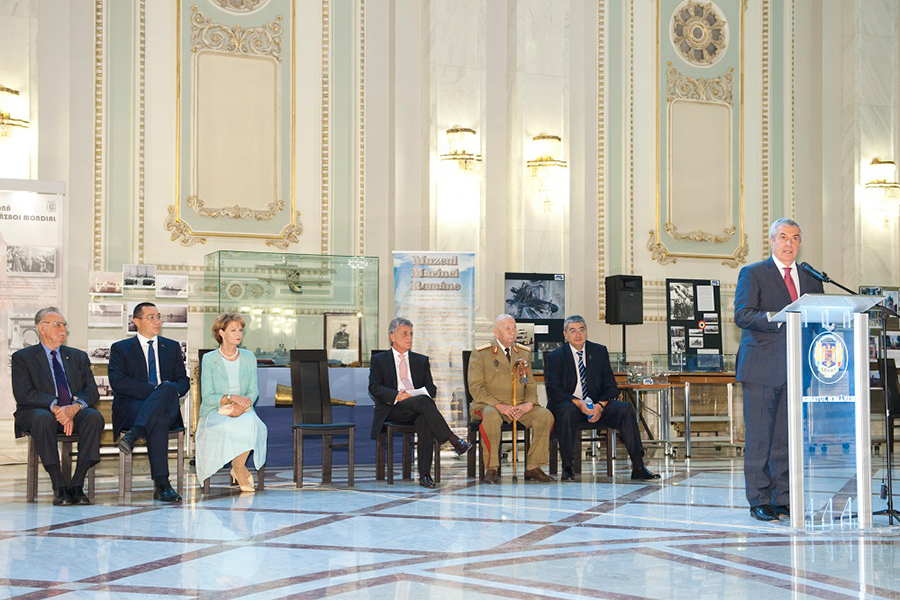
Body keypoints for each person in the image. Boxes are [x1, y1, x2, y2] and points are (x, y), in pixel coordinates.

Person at [735, 218, 824, 522]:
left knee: (786, 440)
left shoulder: (811, 279)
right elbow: (743, 315)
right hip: (761, 368)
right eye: (783, 237)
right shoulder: (753, 273)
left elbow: (819, 322)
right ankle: (759, 499)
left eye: (795, 238)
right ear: (772, 241)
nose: (789, 244)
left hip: (797, 370)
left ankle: (781, 498)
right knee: (760, 439)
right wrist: (779, 317)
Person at [545, 315, 659, 481]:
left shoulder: (599, 351)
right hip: (570, 405)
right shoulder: (555, 356)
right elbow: (554, 390)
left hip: (597, 405)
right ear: (565, 335)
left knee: (625, 408)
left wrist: (600, 406)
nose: (578, 335)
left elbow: (611, 386)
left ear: (586, 332)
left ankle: (638, 466)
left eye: (581, 330)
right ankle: (568, 468)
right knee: (567, 410)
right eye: (573, 331)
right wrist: (578, 403)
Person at [11, 307, 104, 505]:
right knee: (43, 418)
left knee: (94, 417)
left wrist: (74, 408)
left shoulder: (78, 357)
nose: (63, 329)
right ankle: (59, 485)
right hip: (37, 412)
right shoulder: (23, 358)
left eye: (64, 325)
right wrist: (55, 407)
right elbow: (24, 393)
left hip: (72, 410)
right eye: (57, 324)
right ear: (41, 328)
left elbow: (92, 391)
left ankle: (77, 485)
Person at [369, 317, 472, 488]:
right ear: (392, 336)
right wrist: (397, 395)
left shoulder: (420, 360)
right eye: (404, 334)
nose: (409, 338)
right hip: (393, 408)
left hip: (417, 407)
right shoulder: (380, 360)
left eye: (411, 334)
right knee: (424, 404)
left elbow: (431, 389)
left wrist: (416, 395)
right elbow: (374, 387)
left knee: (424, 414)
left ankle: (425, 474)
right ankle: (453, 439)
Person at [109, 302, 191, 502]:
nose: (158, 321)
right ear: (137, 322)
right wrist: (158, 391)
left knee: (170, 389)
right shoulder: (121, 348)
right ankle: (162, 485)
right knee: (159, 416)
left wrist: (166, 391)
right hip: (133, 408)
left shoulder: (171, 347)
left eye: (159, 317)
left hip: (167, 407)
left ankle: (135, 434)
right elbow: (118, 382)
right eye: (151, 317)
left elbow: (183, 382)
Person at [468, 314, 555, 483]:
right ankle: (492, 468)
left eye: (514, 328)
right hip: (488, 405)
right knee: (492, 416)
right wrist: (499, 406)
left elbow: (530, 384)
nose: (512, 332)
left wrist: (529, 404)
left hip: (518, 406)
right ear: (496, 332)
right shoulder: (481, 354)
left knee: (545, 415)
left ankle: (533, 467)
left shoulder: (523, 353)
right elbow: (476, 388)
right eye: (507, 328)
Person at [197, 312, 268, 492]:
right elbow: (208, 396)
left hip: (243, 409)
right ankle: (239, 469)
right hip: (216, 410)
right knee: (230, 425)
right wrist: (231, 398)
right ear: (221, 333)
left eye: (241, 330)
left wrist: (241, 406)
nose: (239, 334)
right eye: (233, 330)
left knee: (251, 422)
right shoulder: (210, 359)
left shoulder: (248, 357)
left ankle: (237, 468)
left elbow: (253, 391)